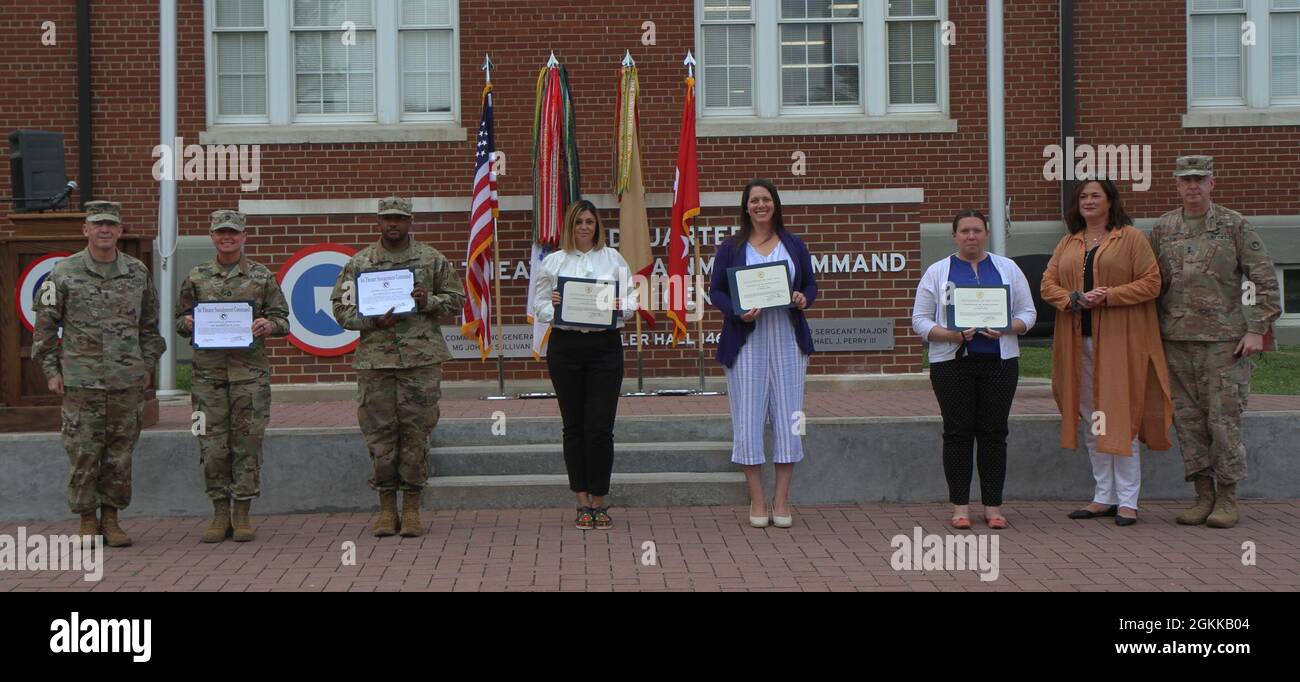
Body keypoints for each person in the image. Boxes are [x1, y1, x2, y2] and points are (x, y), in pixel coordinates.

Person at [1150, 156, 1281, 529]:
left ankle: (1227, 498)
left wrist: (1256, 328)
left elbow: (1263, 281)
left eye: (1200, 180)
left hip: (1224, 342)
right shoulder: (1164, 228)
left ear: (1212, 183)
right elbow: (1154, 283)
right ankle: (1202, 496)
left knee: (1223, 422)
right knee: (1189, 423)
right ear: (1176, 185)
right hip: (1176, 340)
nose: (1193, 186)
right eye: (1186, 180)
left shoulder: (1234, 225)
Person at [31, 200, 166, 548]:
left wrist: (145, 364)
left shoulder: (137, 272)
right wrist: (51, 371)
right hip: (81, 381)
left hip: (125, 382)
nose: (104, 230)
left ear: (120, 231)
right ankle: (87, 521)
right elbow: (45, 328)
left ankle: (112, 519)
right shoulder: (62, 272)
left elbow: (150, 326)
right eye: (98, 224)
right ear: (85, 230)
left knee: (120, 453)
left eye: (111, 225)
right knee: (83, 452)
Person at [331, 197, 466, 538]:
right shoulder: (359, 263)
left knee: (416, 435)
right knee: (380, 436)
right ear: (379, 222)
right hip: (376, 362)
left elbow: (458, 300)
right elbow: (341, 310)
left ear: (410, 222)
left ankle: (412, 509)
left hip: (420, 362)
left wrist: (428, 301)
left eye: (399, 219)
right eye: (387, 218)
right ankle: (387, 508)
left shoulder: (431, 259)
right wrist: (373, 321)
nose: (393, 224)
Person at [1041, 179, 1173, 527]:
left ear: (1110, 201)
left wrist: (1109, 295)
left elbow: (1151, 282)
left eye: (1095, 195)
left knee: (1120, 415)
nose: (1088, 201)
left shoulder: (1131, 238)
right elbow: (1047, 284)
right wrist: (1070, 298)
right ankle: (1104, 496)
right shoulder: (1069, 241)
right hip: (1077, 342)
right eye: (1083, 196)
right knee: (1090, 417)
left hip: (1119, 342)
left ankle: (1128, 500)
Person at [912, 210, 1036, 530]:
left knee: (994, 433)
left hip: (999, 362)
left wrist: (1008, 327)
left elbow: (1029, 312)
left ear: (987, 234)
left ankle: (993, 506)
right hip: (952, 363)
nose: (971, 236)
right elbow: (920, 321)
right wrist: (951, 335)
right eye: (965, 231)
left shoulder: (1007, 268)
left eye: (977, 230)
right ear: (954, 236)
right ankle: (960, 507)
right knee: (958, 433)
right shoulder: (938, 272)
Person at [709, 179, 817, 529]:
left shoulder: (794, 244)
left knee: (790, 419)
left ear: (775, 205)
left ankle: (782, 500)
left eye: (766, 199)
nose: (760, 205)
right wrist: (736, 311)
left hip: (787, 337)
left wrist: (803, 297)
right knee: (748, 418)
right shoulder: (732, 247)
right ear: (746, 207)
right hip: (747, 341)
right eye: (754, 200)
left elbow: (810, 285)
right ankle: (757, 499)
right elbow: (716, 292)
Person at [176, 210, 290, 543]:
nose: (227, 238)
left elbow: (283, 320)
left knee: (248, 443)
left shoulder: (262, 276)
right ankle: (218, 513)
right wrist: (188, 324)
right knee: (210, 445)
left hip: (249, 376)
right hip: (206, 379)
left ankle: (241, 513)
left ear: (244, 237)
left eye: (233, 233)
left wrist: (269, 325)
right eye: (221, 233)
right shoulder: (196, 276)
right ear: (212, 236)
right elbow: (180, 318)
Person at [531, 200, 635, 530]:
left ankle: (600, 501)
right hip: (566, 348)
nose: (584, 227)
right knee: (573, 426)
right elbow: (539, 303)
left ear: (597, 225)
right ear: (570, 226)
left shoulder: (614, 259)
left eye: (590, 221)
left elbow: (632, 300)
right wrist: (555, 306)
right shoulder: (554, 261)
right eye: (578, 222)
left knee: (600, 428)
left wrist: (621, 304)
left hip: (604, 348)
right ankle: (581, 501)